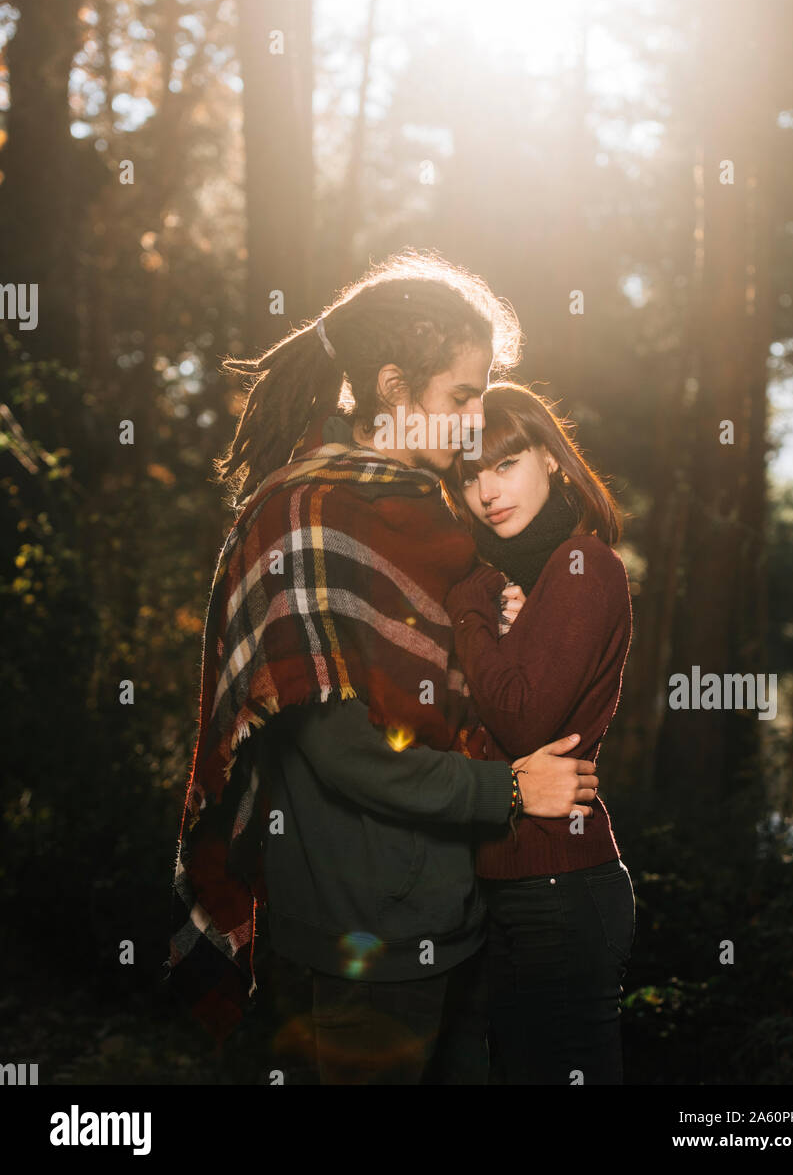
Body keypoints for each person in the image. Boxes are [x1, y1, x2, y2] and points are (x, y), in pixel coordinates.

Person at [166, 250, 600, 1085]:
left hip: (456, 909)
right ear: (394, 387)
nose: (475, 421)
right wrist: (507, 790)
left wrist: (494, 630)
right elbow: (344, 748)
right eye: (462, 396)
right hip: (358, 938)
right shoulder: (304, 517)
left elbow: (444, 686)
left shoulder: (424, 517)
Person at [442, 381, 635, 1085]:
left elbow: (521, 717)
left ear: (551, 458)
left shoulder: (582, 567)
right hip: (509, 882)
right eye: (469, 475)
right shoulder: (521, 585)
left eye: (505, 463)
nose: (487, 491)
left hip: (561, 883)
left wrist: (467, 606)